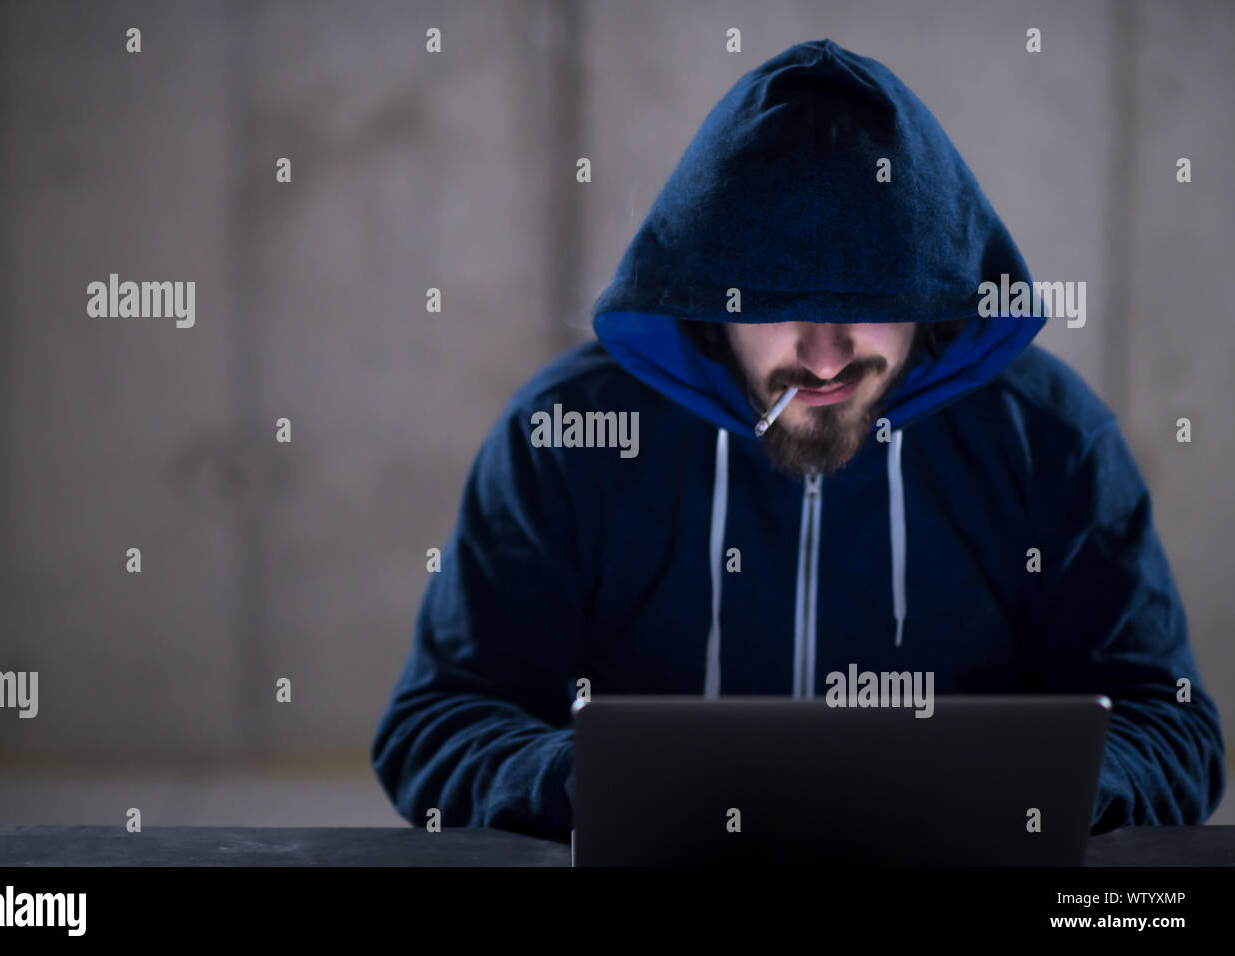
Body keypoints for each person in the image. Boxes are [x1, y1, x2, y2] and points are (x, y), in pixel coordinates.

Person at [371, 39, 1225, 843]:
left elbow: (1172, 722)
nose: (822, 357)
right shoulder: (564, 438)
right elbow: (439, 717)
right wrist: (591, 783)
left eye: (869, 299)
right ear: (705, 298)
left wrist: (1044, 793)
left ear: (935, 299)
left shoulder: (1053, 440)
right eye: (772, 303)